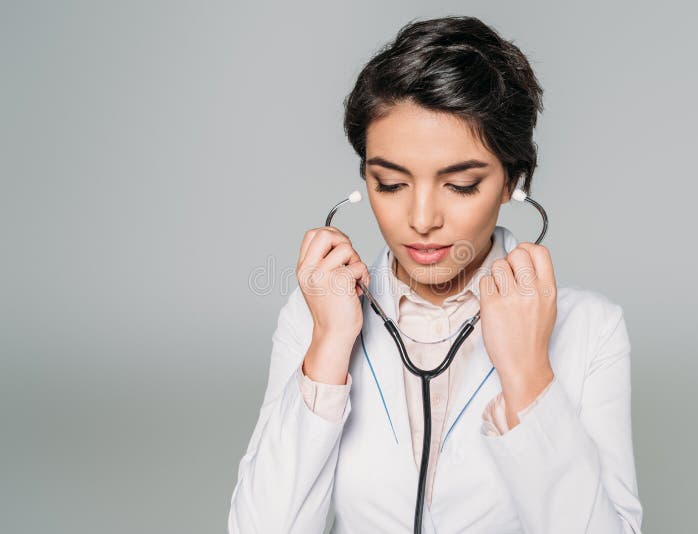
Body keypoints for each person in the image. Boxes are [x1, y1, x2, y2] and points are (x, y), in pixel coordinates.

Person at [228, 15, 643, 534]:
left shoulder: (590, 331)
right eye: (391, 183)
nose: (422, 220)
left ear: (513, 180)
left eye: (462, 185)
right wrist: (330, 346)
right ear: (364, 178)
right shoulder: (316, 316)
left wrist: (529, 377)